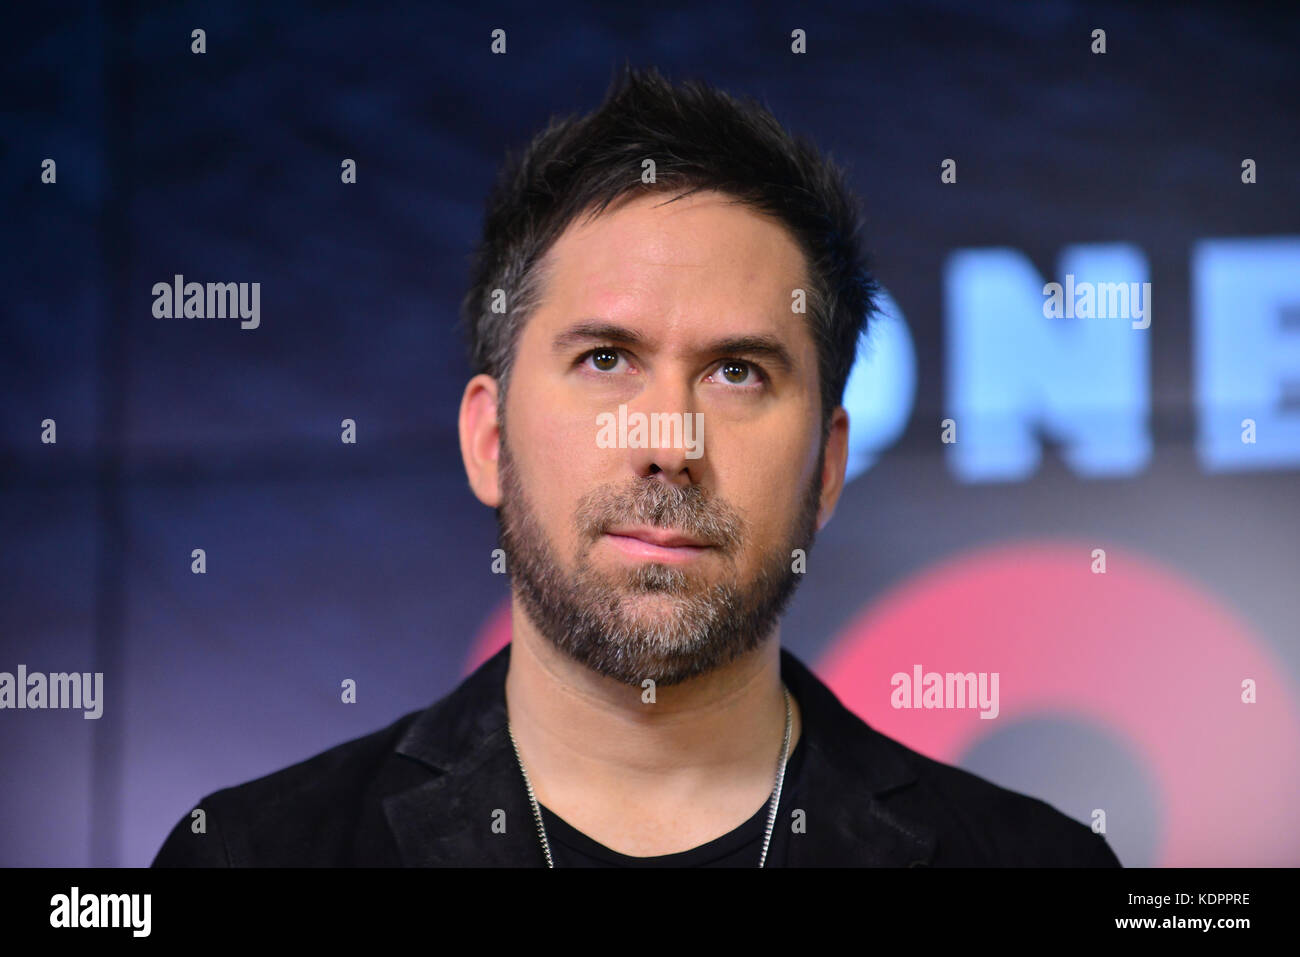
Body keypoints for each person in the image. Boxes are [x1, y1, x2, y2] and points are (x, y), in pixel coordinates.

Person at [153, 65, 1121, 868]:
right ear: (489, 439)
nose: (668, 443)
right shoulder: (251, 856)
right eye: (605, 360)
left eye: (737, 372)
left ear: (827, 467)